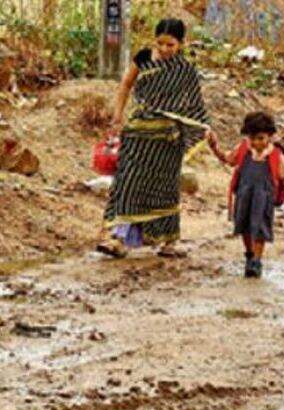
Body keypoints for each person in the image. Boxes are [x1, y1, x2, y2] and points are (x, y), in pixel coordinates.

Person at [96, 18, 211, 259]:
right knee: (128, 184)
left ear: (181, 43)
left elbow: (194, 107)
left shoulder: (185, 70)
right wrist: (118, 116)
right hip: (138, 133)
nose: (165, 49)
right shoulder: (144, 58)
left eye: (170, 44)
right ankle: (119, 240)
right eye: (160, 44)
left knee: (164, 189)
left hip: (168, 139)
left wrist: (202, 128)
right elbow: (126, 84)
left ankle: (167, 242)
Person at [206, 111, 284, 278]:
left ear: (269, 136)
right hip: (244, 196)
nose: (256, 143)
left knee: (260, 228)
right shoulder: (243, 149)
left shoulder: (276, 156)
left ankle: (257, 261)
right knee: (244, 226)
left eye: (260, 138)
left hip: (264, 199)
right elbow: (228, 159)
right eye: (252, 139)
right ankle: (249, 255)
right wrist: (214, 148)